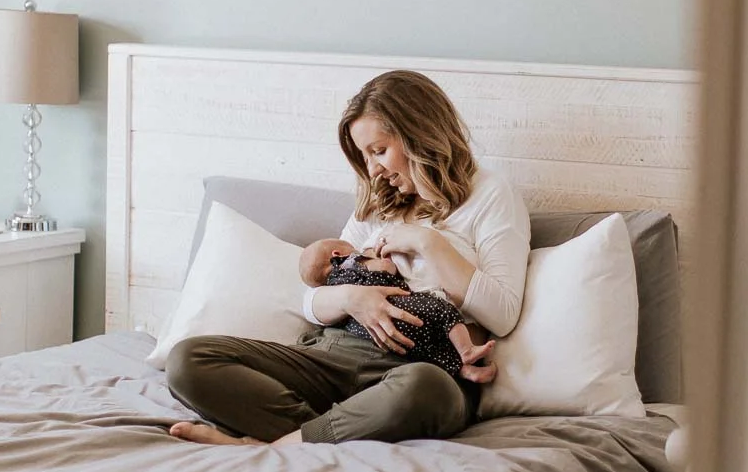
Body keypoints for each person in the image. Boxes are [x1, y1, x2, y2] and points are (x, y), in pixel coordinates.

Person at [166, 69, 531, 446]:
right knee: (189, 360)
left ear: (420, 134)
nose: (373, 169)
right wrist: (352, 298)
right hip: (333, 353)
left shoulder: (491, 195)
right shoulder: (378, 201)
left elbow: (502, 315)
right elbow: (311, 299)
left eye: (379, 151)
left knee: (427, 390)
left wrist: (428, 242)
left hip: (419, 367)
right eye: (365, 156)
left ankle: (277, 445)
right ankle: (325, 433)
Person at [298, 238, 497, 380]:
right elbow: (387, 268)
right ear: (336, 254)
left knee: (421, 350)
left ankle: (463, 370)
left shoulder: (333, 285)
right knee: (442, 311)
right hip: (396, 306)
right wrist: (379, 255)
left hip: (369, 333)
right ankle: (466, 351)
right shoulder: (351, 262)